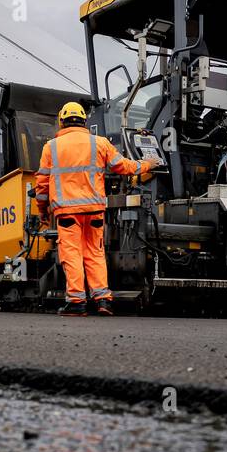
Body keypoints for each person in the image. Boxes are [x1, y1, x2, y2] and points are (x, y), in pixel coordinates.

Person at [35, 102, 159, 316]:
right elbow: (125, 167)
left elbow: (42, 185)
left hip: (67, 213)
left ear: (62, 121)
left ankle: (76, 302)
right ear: (84, 120)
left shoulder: (51, 147)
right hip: (94, 210)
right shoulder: (100, 143)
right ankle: (103, 300)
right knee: (94, 253)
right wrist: (148, 164)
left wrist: (43, 209)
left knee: (72, 254)